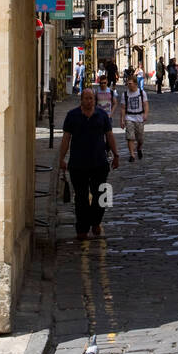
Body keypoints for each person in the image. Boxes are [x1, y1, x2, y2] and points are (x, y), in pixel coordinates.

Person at [59, 86, 120, 239]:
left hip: (99, 163)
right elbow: (66, 138)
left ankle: (96, 221)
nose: (88, 101)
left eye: (91, 98)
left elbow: (109, 135)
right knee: (80, 197)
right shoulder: (72, 116)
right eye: (86, 98)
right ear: (81, 100)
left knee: (101, 194)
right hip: (78, 164)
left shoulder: (102, 115)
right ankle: (82, 228)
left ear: (95, 99)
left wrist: (116, 154)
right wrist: (61, 158)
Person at [119, 70, 149, 161]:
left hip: (139, 117)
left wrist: (146, 114)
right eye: (128, 84)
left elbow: (146, 104)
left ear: (135, 84)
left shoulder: (141, 93)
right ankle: (132, 155)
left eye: (130, 83)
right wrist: (122, 120)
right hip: (129, 117)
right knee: (130, 137)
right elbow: (123, 108)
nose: (129, 85)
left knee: (140, 139)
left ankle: (139, 148)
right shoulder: (125, 94)